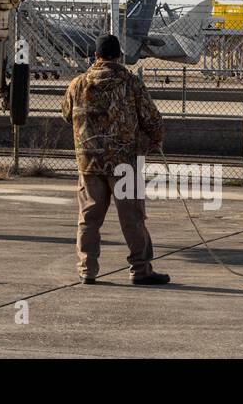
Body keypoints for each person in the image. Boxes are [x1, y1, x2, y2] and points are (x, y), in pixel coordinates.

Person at [61, 34, 169, 285]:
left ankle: (87, 268)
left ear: (95, 56)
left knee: (88, 217)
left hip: (89, 162)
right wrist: (155, 138)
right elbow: (152, 118)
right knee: (132, 218)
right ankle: (140, 269)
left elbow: (67, 114)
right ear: (119, 56)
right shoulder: (131, 83)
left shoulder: (77, 84)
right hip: (124, 161)